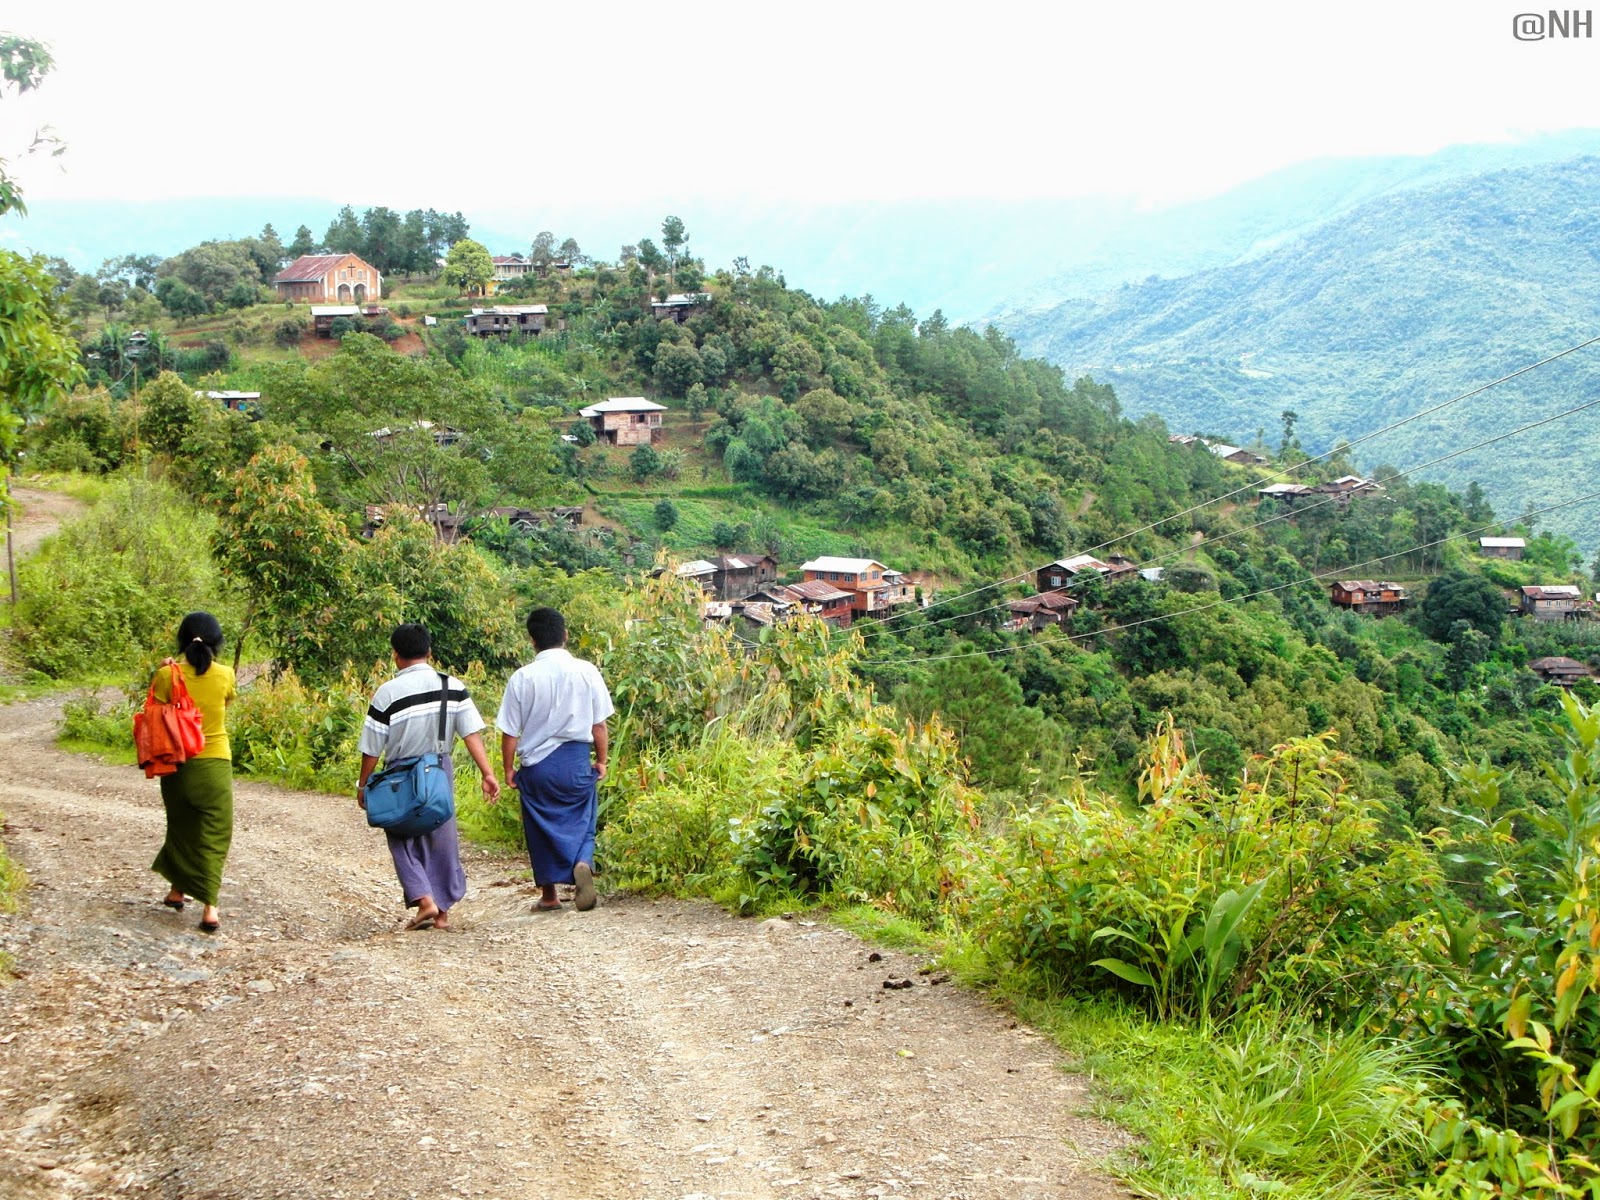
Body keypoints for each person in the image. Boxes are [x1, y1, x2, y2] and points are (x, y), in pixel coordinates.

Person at [357, 624, 500, 931]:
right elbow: (471, 733)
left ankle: (424, 900)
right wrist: (487, 773)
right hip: (438, 768)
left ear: (395, 656)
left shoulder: (387, 692)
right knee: (441, 835)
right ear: (429, 652)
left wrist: (363, 784)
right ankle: (442, 913)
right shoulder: (452, 686)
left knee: (399, 831)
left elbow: (372, 747)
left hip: (399, 773)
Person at [496, 607, 614, 912]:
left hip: (537, 767)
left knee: (539, 828)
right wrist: (601, 761)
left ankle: (549, 896)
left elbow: (510, 733)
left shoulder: (522, 677)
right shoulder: (587, 671)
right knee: (584, 820)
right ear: (566, 635)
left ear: (532, 640)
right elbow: (599, 725)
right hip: (576, 762)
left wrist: (508, 770)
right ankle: (583, 862)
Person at [151, 612, 236, 934]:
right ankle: (210, 907)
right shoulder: (226, 675)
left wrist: (168, 670)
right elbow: (222, 706)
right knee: (214, 833)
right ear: (217, 641)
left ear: (182, 640)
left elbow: (157, 712)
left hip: (177, 765)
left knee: (181, 827)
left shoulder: (166, 676)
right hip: (215, 765)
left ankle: (177, 891)